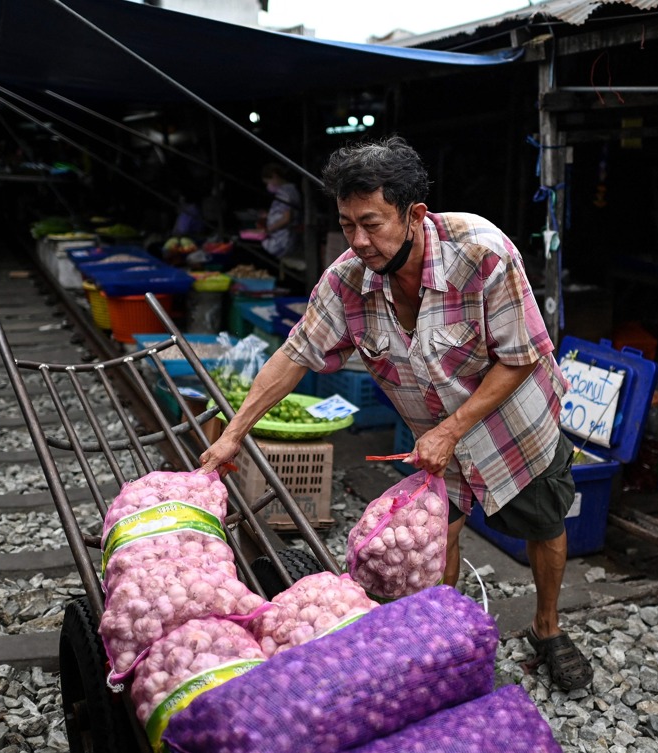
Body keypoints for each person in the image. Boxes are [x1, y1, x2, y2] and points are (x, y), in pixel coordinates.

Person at [200, 136, 593, 691]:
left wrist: (454, 429)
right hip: (436, 442)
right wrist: (233, 435)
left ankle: (548, 628)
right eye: (346, 224)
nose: (358, 241)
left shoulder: (482, 252)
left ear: (414, 215)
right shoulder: (345, 279)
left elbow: (521, 357)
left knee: (545, 524)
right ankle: (449, 640)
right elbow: (293, 355)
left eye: (372, 223)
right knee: (438, 538)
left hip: (516, 426)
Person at [260, 162, 301, 258]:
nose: (268, 186)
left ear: (275, 176)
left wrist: (268, 229)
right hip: (286, 236)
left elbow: (286, 218)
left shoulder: (285, 192)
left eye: (268, 182)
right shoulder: (290, 190)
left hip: (283, 239)